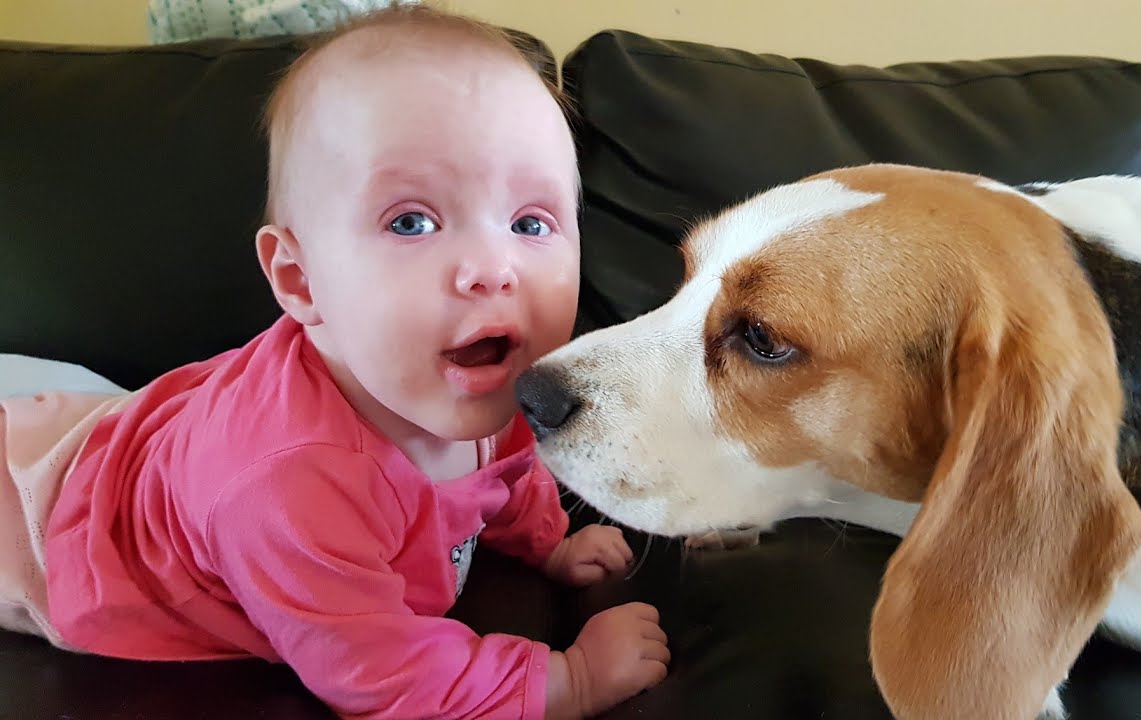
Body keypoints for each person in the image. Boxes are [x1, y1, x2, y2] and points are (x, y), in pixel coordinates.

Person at [0, 6, 670, 719]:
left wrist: (549, 545)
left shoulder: (478, 372)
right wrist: (567, 681)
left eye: (530, 223)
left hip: (140, 432)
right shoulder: (289, 488)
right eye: (411, 221)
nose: (492, 268)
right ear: (299, 280)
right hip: (49, 527)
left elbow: (506, 468)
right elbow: (381, 674)